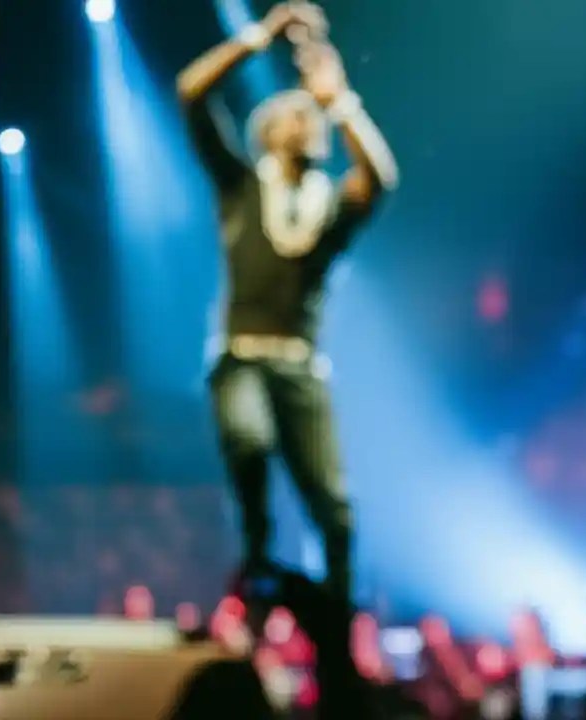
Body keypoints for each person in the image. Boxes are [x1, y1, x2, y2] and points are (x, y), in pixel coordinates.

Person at [176, 2, 398, 618]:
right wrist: (258, 37)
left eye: (313, 116)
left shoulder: (327, 210)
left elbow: (378, 176)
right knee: (248, 440)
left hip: (300, 365)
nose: (312, 121)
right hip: (242, 356)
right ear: (269, 133)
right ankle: (259, 559)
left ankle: (340, 610)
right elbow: (191, 93)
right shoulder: (241, 187)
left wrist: (341, 101)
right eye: (299, 115)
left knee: (334, 505)